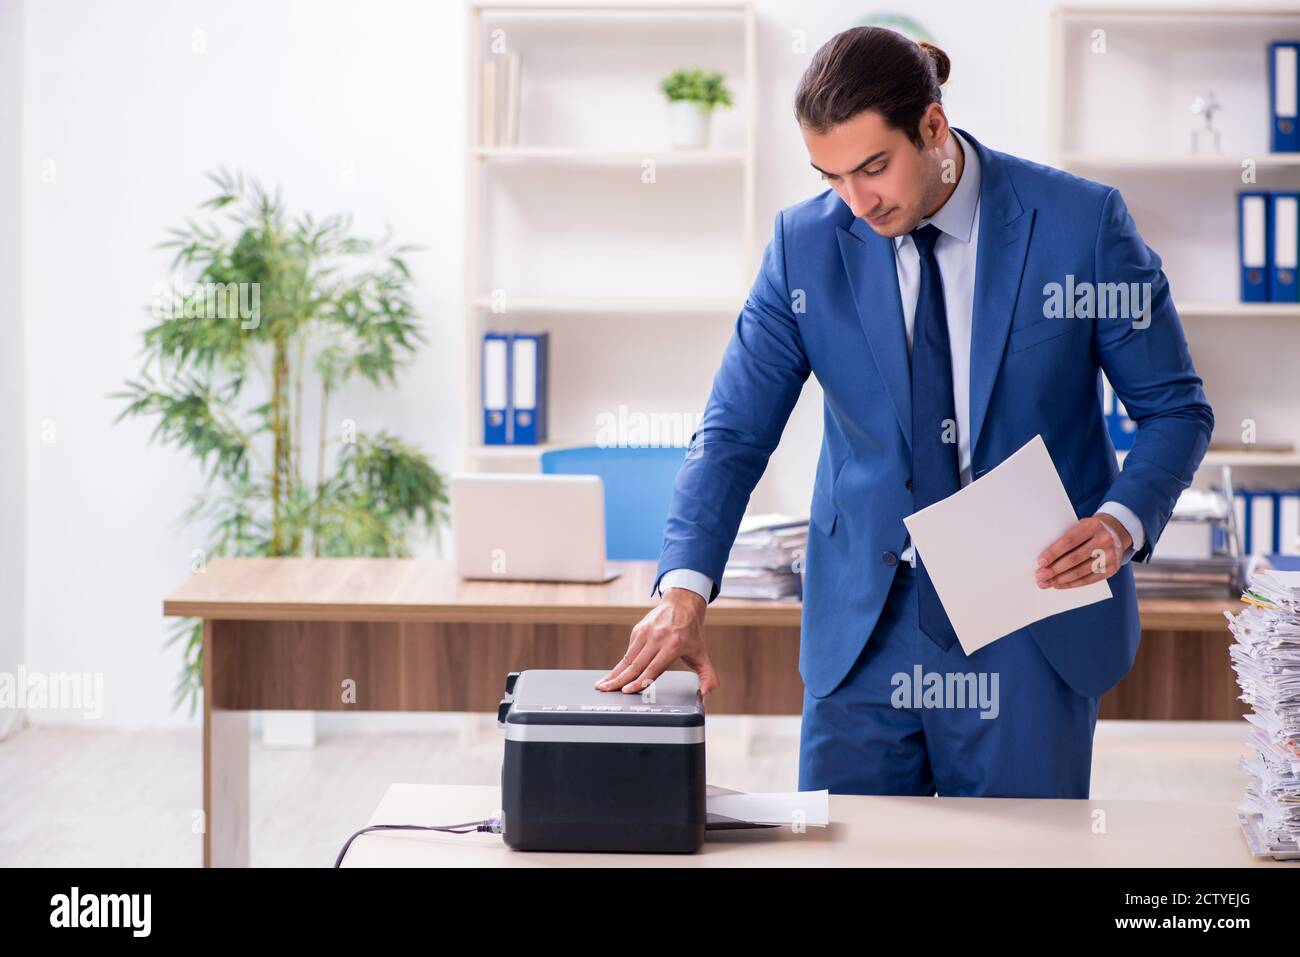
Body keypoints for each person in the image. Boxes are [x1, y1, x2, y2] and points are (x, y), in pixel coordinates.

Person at [597, 26, 1213, 797]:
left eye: (873, 168)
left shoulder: (1080, 226)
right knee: (845, 852)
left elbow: (1174, 409)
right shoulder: (805, 246)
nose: (856, 201)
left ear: (932, 126)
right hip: (865, 623)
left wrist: (1122, 522)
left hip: (1029, 616)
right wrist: (682, 591)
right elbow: (732, 433)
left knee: (1016, 860)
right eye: (830, 176)